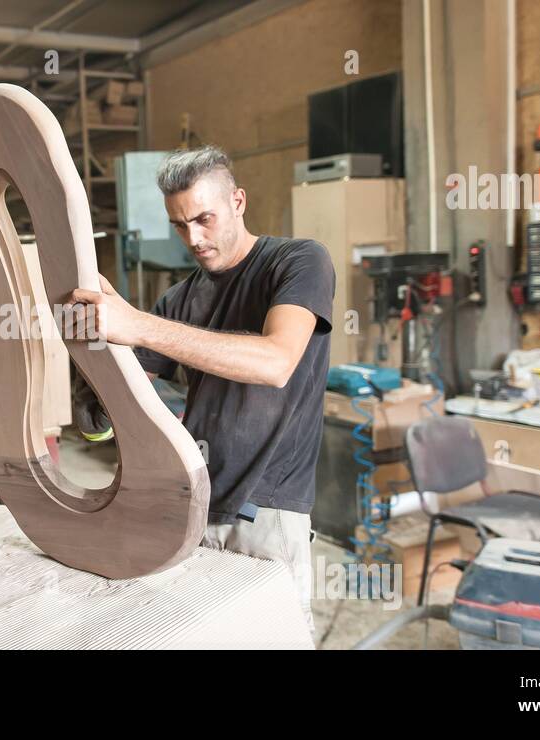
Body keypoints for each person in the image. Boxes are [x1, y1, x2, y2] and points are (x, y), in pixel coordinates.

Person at [71, 145, 335, 633]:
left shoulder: (298, 262)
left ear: (238, 201)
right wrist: (91, 363)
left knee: (273, 640)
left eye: (204, 219)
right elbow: (114, 405)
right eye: (179, 224)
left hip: (266, 514)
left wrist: (139, 325)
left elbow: (276, 361)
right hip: (191, 508)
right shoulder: (180, 298)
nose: (193, 238)